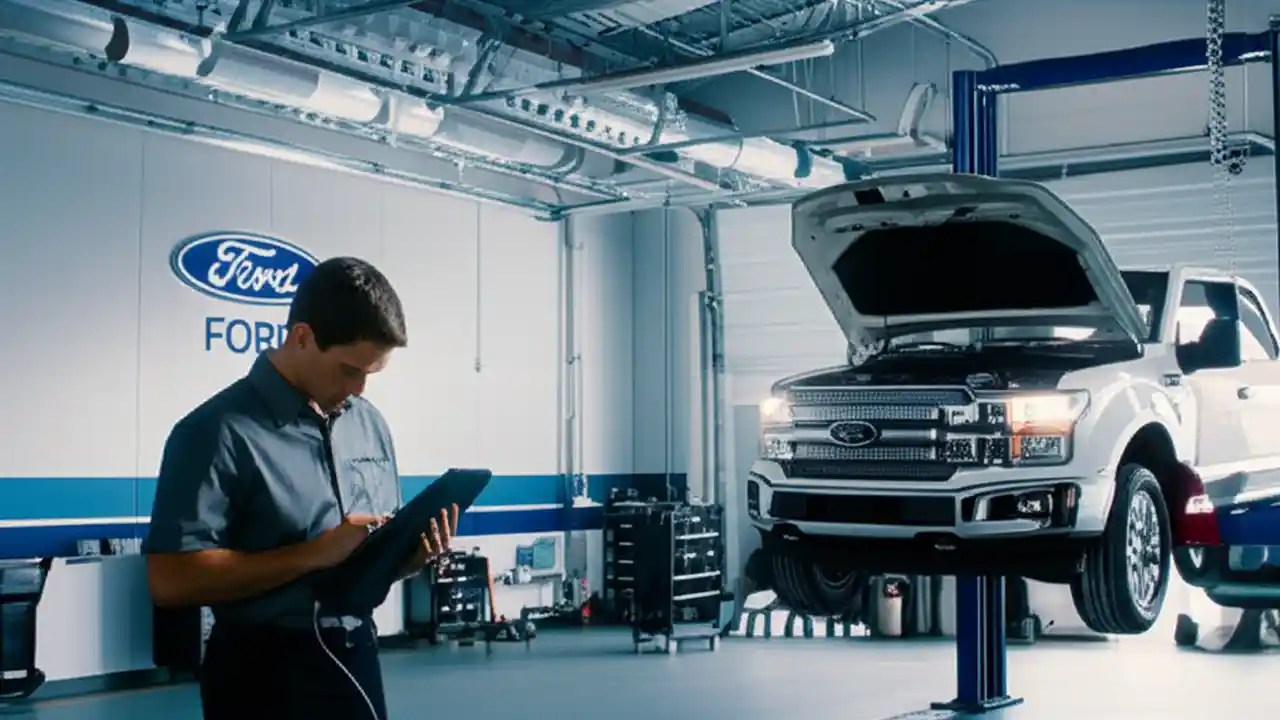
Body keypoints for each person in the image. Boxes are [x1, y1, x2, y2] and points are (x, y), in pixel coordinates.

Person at [142, 256, 452, 720]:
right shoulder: (214, 432)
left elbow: (360, 559)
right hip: (260, 673)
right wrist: (314, 553)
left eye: (372, 373)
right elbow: (169, 581)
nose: (360, 388)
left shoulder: (369, 425)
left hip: (356, 657)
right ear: (302, 337)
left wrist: (406, 558)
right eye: (350, 370)